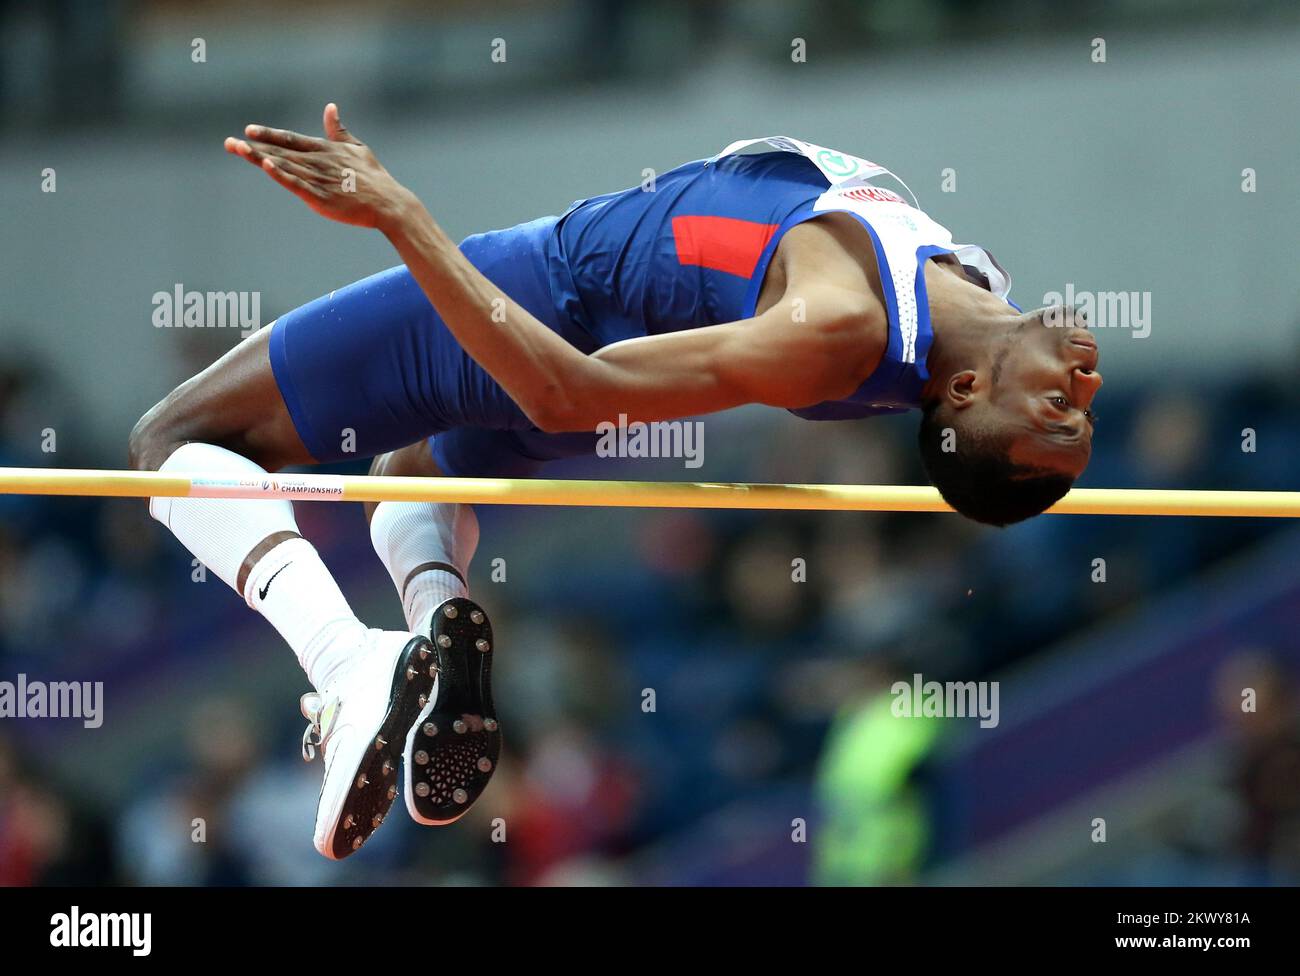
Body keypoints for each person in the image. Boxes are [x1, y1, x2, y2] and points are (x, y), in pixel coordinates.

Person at [128, 106, 1102, 859]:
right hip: (607, 332)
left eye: (1055, 418)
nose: (1079, 397)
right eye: (1077, 414)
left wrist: (400, 216)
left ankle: (347, 664)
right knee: (409, 478)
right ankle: (438, 628)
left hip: (544, 306)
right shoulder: (976, 297)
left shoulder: (842, 324)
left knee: (172, 440)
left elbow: (563, 394)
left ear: (968, 390)